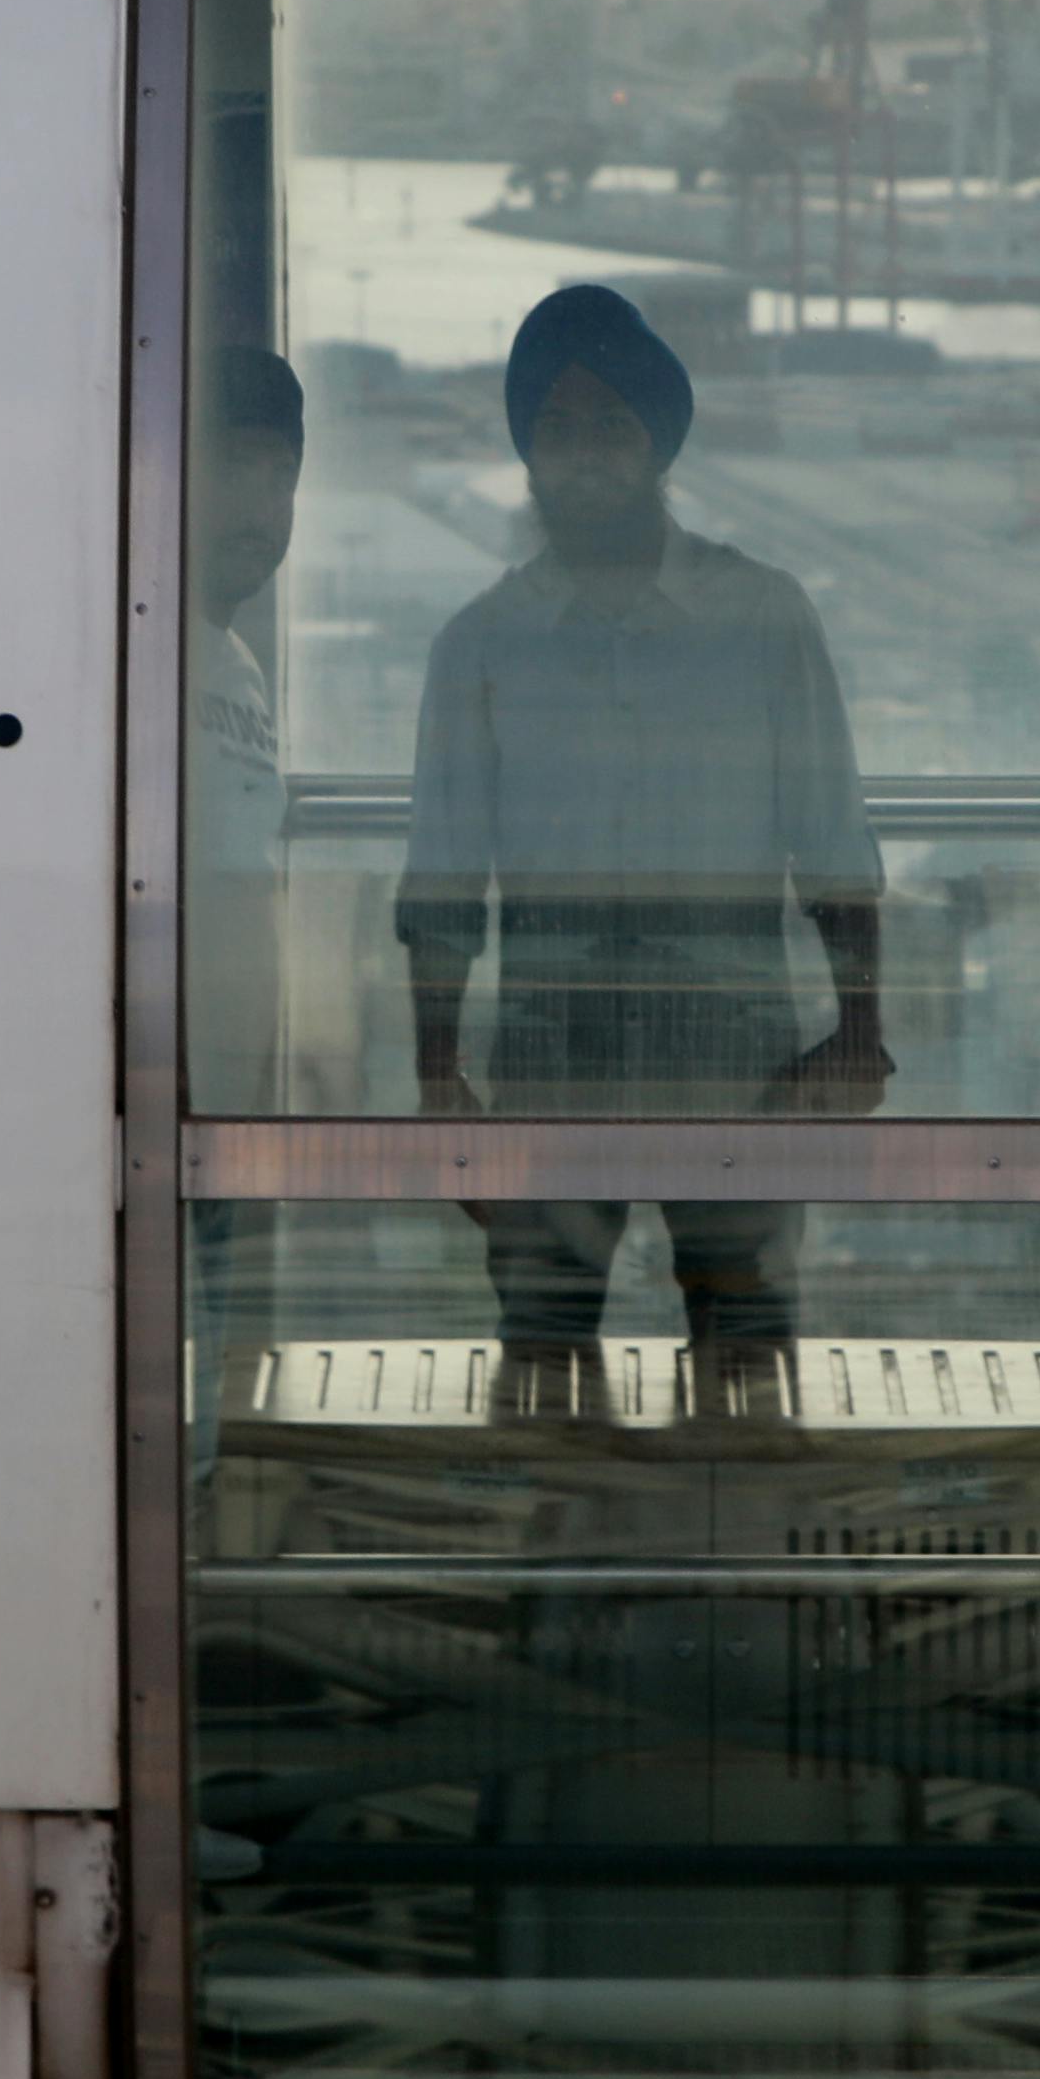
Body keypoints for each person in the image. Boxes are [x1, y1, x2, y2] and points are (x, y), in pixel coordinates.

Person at [397, 282, 886, 1416]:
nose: (583, 455)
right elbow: (441, 876)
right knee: (543, 1346)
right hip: (548, 1043)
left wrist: (861, 1028)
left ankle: (751, 1578)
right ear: (526, 451)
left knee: (746, 1335)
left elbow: (832, 838)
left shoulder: (762, 616)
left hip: (736, 1042)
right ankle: (560, 1579)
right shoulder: (479, 644)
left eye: (610, 424)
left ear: (658, 441)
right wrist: (436, 1081)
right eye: (555, 429)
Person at [185, 347, 308, 1111]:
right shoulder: (128, 652)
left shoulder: (236, 666)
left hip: (228, 1086)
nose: (260, 505)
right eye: (233, 467)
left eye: (280, 476)